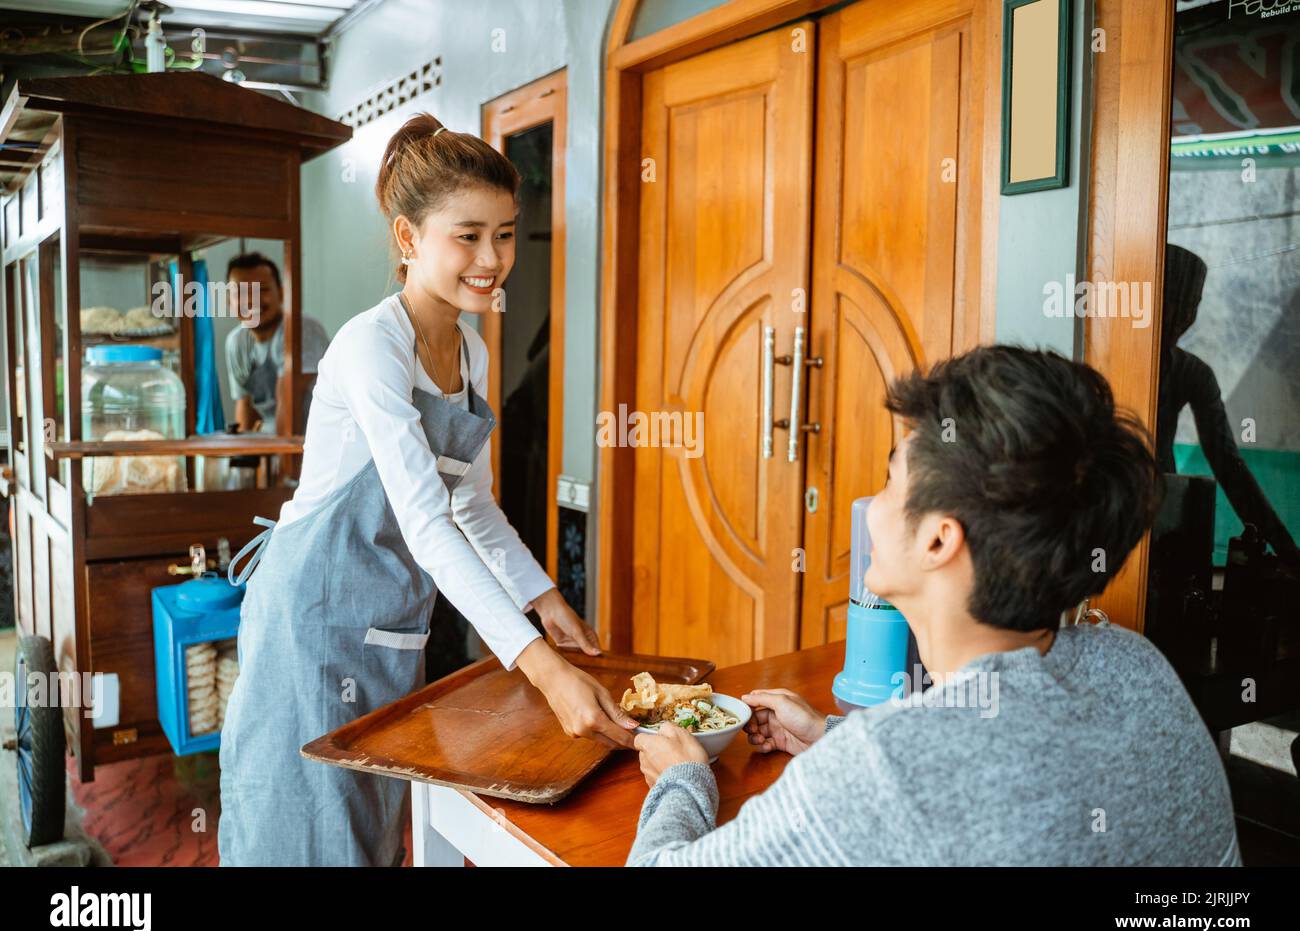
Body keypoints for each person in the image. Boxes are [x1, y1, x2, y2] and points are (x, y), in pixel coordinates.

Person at [628, 345, 1241, 866]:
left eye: (892, 480)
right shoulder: (1136, 667)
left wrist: (686, 780)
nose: (873, 503)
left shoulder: (888, 770)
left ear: (939, 539)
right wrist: (833, 737)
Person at [218, 114, 638, 866]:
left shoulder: (470, 350)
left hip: (387, 624)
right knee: (308, 831)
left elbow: (471, 505)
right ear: (410, 239)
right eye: (467, 235)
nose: (492, 258)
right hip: (310, 624)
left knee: (375, 824)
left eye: (505, 234)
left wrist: (546, 603)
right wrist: (542, 668)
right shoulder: (369, 346)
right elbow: (425, 523)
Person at [1155, 244, 1298, 562]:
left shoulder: (1193, 373)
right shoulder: (1116, 365)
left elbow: (1228, 466)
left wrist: (1286, 551)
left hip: (1159, 511)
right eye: (1175, 303)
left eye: (1192, 306)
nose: (1184, 318)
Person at [224, 251, 331, 433]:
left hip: (314, 444)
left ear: (282, 293)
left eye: (262, 289)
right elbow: (244, 407)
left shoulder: (300, 329)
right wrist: (242, 458)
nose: (251, 300)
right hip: (275, 447)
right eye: (241, 292)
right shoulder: (236, 342)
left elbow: (288, 405)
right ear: (229, 301)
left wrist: (279, 461)